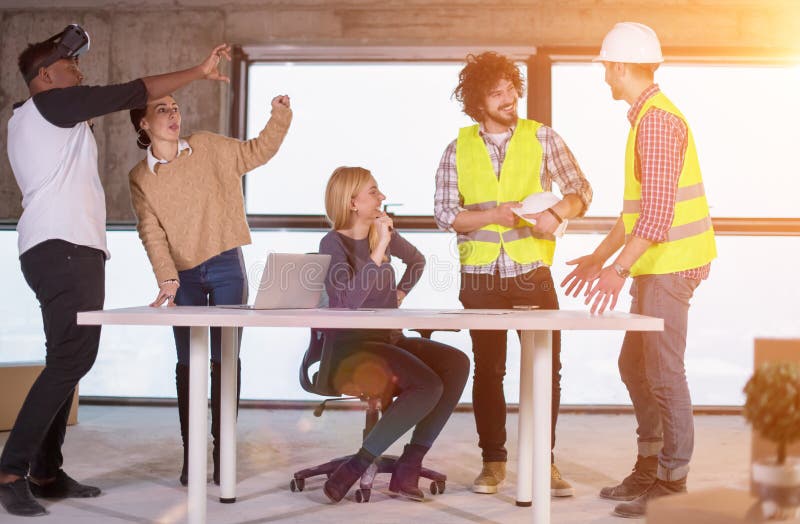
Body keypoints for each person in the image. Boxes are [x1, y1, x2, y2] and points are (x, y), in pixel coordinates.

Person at [1, 23, 232, 517]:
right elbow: (134, 91)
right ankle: (10, 470)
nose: (79, 73)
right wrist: (197, 71)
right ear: (44, 77)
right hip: (63, 250)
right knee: (71, 361)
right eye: (70, 67)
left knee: (66, 358)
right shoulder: (49, 106)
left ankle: (45, 470)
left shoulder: (38, 117)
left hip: (60, 250)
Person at [561, 22, 717, 518]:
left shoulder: (655, 121)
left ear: (622, 66)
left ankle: (671, 483)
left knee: (665, 373)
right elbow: (635, 214)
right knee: (636, 367)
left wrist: (618, 270)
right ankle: (650, 466)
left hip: (670, 267)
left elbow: (657, 216)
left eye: (607, 65)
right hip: (657, 263)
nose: (605, 73)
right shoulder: (644, 117)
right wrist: (599, 257)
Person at [434, 51, 592, 497]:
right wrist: (494, 216)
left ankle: (545, 462)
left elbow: (581, 190)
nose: (509, 98)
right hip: (481, 277)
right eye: (496, 92)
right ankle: (493, 463)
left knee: (546, 370)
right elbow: (445, 214)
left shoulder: (543, 138)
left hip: (531, 273)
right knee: (489, 370)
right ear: (477, 101)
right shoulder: (457, 148)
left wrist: (558, 212)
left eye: (511, 89)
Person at [127, 92, 292, 486]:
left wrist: (280, 115)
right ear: (144, 124)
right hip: (181, 277)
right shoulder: (140, 178)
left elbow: (257, 152)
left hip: (225, 265)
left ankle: (223, 452)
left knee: (225, 360)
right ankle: (193, 454)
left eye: (175, 106)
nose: (173, 114)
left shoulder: (207, 147)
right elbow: (150, 231)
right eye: (161, 109)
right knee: (188, 362)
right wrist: (166, 277)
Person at [318, 166, 469, 503]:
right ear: (353, 202)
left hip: (389, 339)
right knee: (428, 385)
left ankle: (409, 466)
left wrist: (400, 293)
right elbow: (346, 304)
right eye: (374, 191)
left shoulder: (381, 232)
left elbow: (416, 261)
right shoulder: (332, 243)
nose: (382, 197)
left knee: (456, 363)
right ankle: (358, 464)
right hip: (354, 347)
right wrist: (378, 251)